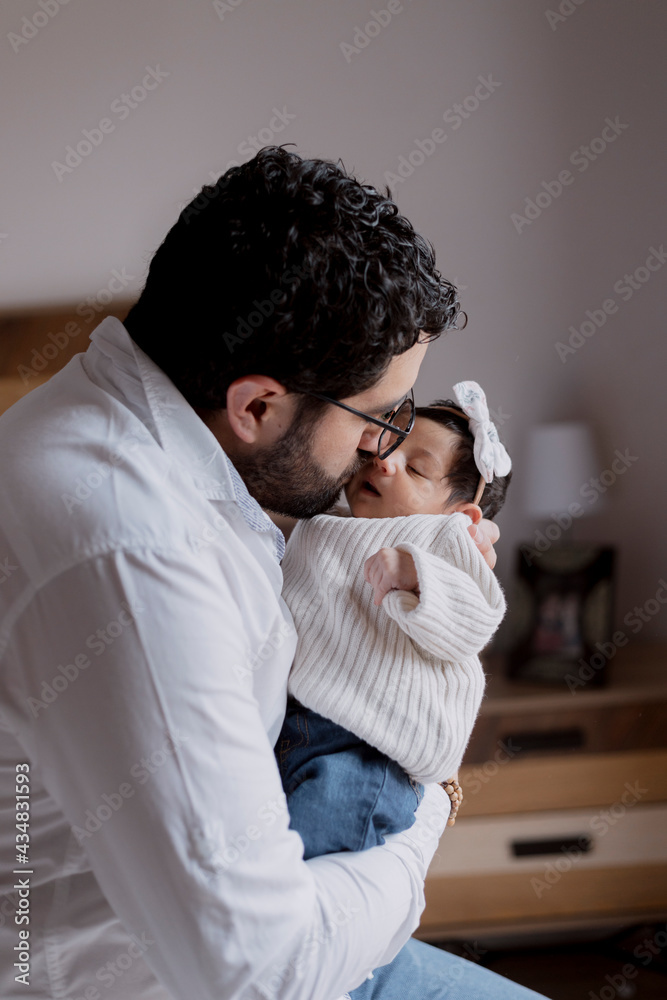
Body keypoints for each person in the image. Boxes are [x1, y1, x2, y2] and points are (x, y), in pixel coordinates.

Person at [0, 146, 549, 999]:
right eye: (376, 417)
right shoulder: (130, 553)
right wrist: (431, 815)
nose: (383, 444)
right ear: (255, 405)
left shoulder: (133, 428)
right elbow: (257, 974)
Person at [277, 383, 512, 860]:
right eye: (388, 441)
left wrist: (418, 574)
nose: (385, 461)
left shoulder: (441, 540)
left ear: (459, 514)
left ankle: (291, 923)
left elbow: (476, 619)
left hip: (370, 747)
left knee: (314, 836)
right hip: (296, 724)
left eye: (417, 467)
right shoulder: (322, 518)